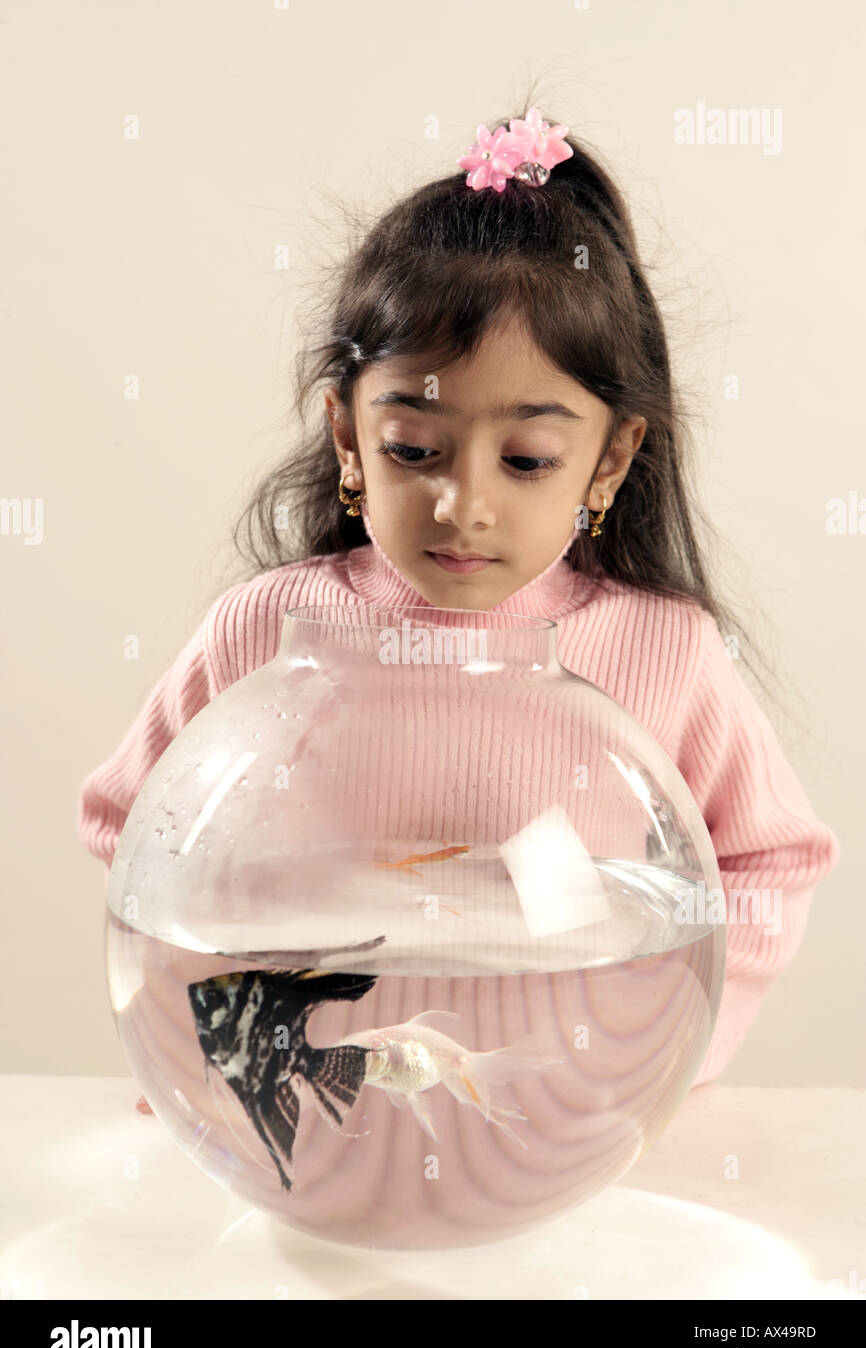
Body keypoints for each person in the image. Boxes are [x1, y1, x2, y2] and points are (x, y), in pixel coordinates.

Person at [78, 100, 839, 1112]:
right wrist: (195, 1038)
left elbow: (764, 863)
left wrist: (661, 1058)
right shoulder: (262, 630)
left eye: (526, 459)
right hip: (314, 1117)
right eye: (412, 449)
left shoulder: (662, 650)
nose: (463, 504)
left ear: (607, 460)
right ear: (347, 436)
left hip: (559, 1126)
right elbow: (130, 824)